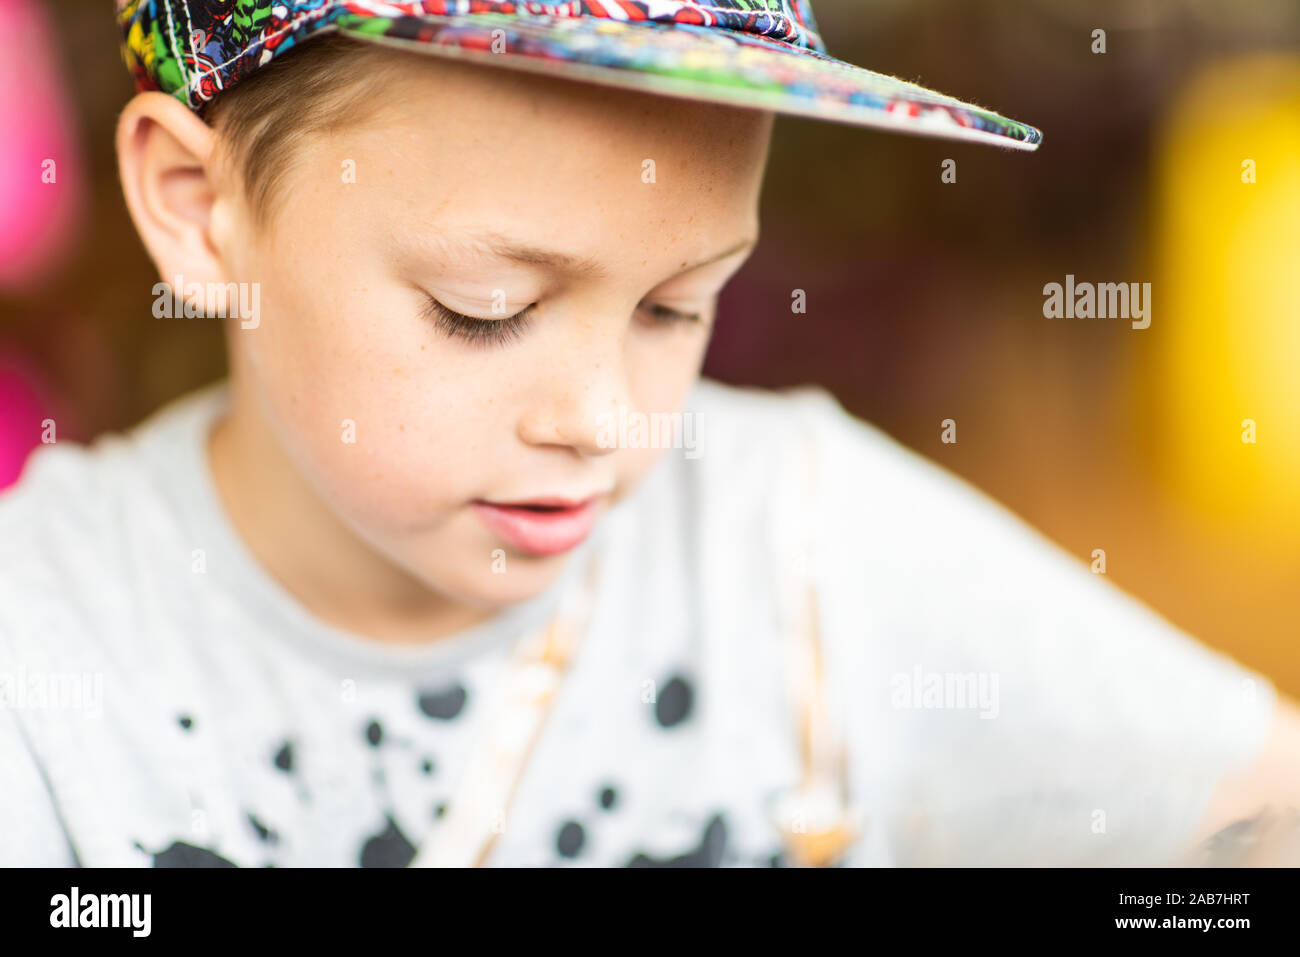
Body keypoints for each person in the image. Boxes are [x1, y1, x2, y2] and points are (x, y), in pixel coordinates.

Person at [1, 0, 1295, 867]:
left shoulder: (797, 539)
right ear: (198, 209)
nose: (613, 424)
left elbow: (1257, 804)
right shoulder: (43, 657)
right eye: (484, 310)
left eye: (680, 306)